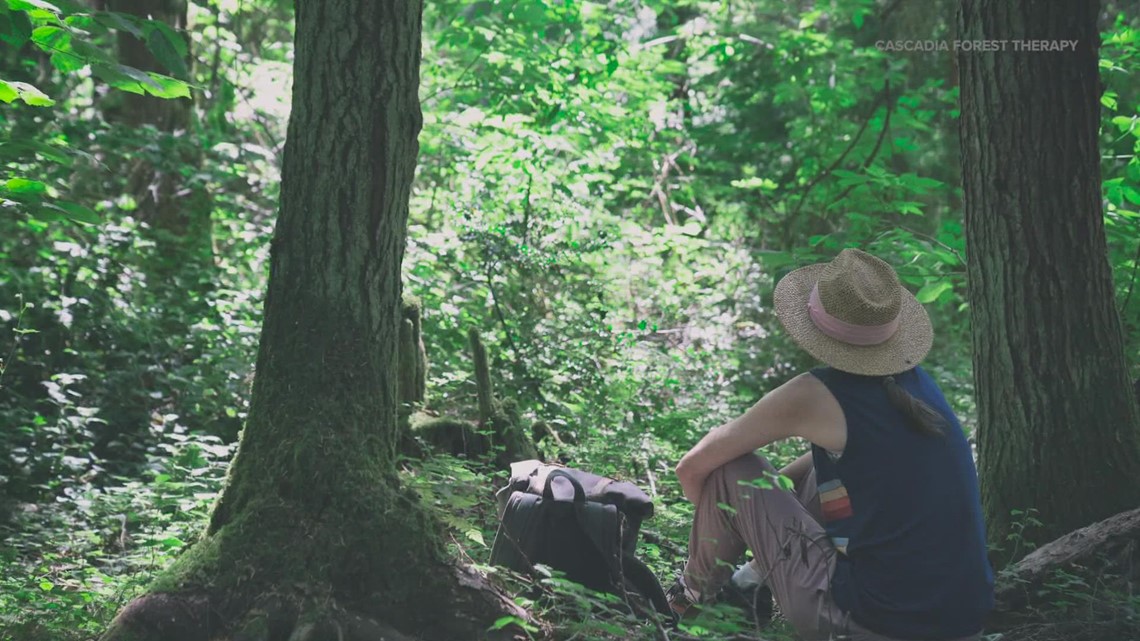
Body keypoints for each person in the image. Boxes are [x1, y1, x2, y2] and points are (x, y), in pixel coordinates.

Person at [666, 249, 994, 640]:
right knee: (812, 477)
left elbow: (692, 468)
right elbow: (859, 462)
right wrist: (764, 510)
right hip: (961, 621)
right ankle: (749, 583)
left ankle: (688, 601)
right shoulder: (914, 385)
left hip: (867, 621)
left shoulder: (815, 394)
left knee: (729, 470)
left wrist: (723, 514)